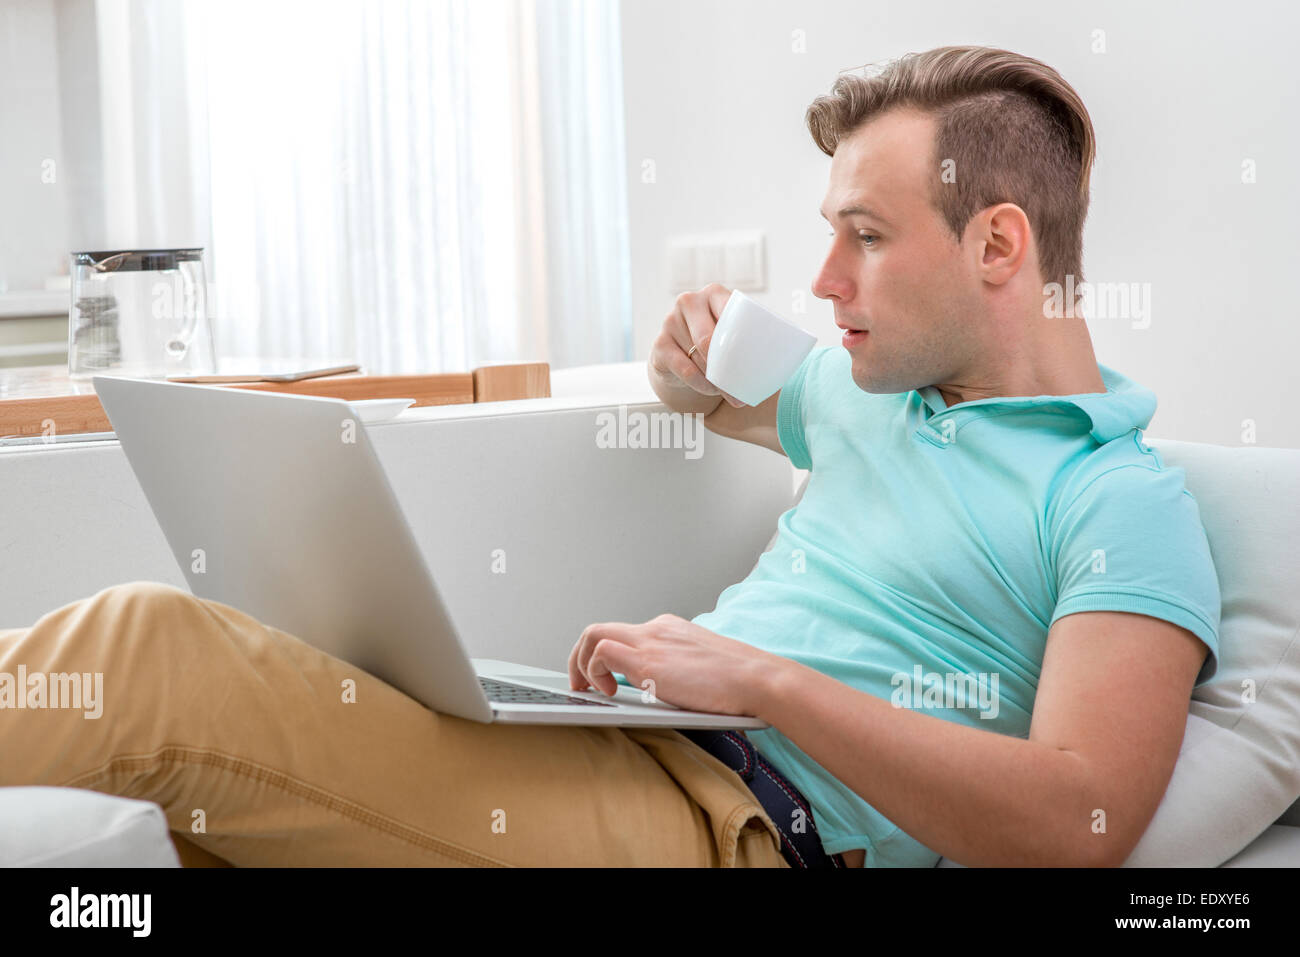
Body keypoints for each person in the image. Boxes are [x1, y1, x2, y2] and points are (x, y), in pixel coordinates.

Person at [0, 45, 1219, 868]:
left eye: (865, 237)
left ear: (997, 245)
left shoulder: (1113, 499)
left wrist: (766, 685)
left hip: (735, 822)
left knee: (148, 655)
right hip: (607, 741)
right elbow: (688, 391)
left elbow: (1084, 816)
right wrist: (679, 362)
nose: (823, 280)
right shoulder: (867, 388)